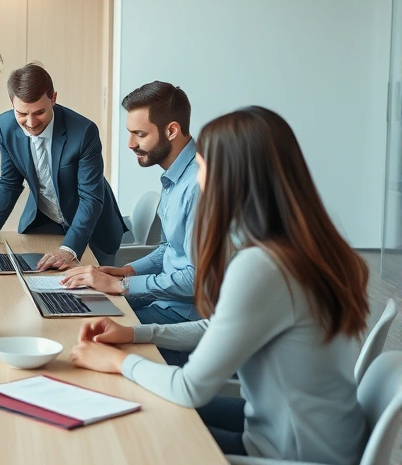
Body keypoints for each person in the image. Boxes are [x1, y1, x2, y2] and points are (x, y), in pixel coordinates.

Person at [69, 106, 369, 464]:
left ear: (232, 176)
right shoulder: (304, 248)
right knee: (136, 409)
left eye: (202, 162)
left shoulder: (262, 266)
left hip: (291, 453)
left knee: (130, 434)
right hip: (312, 436)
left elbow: (189, 388)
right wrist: (136, 335)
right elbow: (218, 328)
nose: (197, 175)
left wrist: (117, 362)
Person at [62, 82, 200, 343]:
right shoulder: (175, 178)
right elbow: (170, 249)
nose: (130, 143)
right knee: (74, 313)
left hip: (184, 318)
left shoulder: (197, 186)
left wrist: (122, 287)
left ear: (172, 130)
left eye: (139, 134)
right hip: (164, 303)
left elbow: (197, 279)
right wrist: (126, 272)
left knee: (84, 338)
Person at [0, 63, 125, 268]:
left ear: (54, 99)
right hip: (45, 223)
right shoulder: (6, 125)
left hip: (93, 229)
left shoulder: (84, 131)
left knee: (92, 294)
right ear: (11, 103)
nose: (31, 123)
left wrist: (68, 250)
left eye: (39, 112)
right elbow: (9, 182)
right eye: (22, 114)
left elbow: (90, 198)